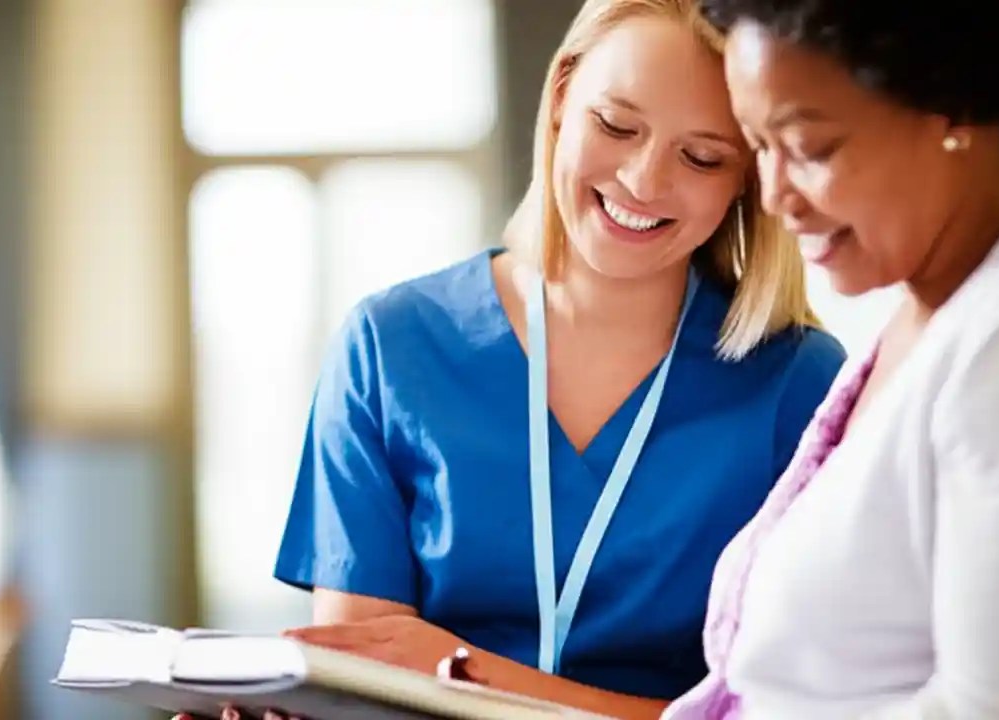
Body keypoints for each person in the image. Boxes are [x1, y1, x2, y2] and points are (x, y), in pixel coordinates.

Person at [188, 1, 845, 719]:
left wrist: (469, 678)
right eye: (616, 125)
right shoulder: (390, 349)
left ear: (749, 174)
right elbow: (358, 687)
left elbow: (790, 709)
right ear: (562, 96)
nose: (644, 180)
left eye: (702, 156)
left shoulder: (799, 385)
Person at [661, 1, 999, 718]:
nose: (775, 196)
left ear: (956, 104)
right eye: (759, 145)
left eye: (810, 148)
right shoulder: (936, 304)